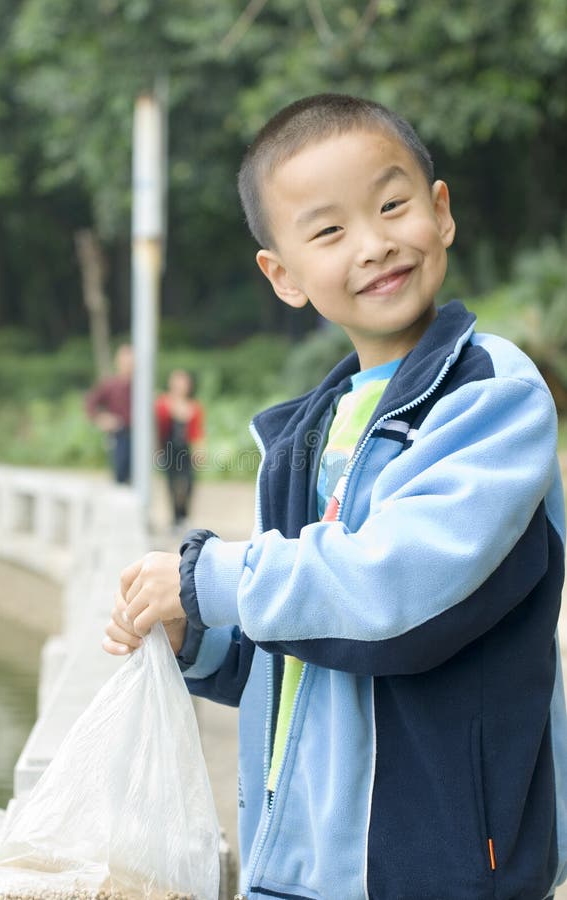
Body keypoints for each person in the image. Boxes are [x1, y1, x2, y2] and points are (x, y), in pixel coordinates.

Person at [102, 94, 567, 899]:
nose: (375, 243)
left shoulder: (488, 397)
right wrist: (195, 637)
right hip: (297, 866)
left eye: (392, 206)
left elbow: (393, 595)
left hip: (440, 868)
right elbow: (300, 645)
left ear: (441, 211)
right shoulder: (302, 439)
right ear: (283, 275)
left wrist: (216, 575)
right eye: (329, 231)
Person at [155, 369, 205, 529]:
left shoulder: (194, 407)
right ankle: (175, 518)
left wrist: (200, 450)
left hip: (186, 450)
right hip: (168, 450)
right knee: (172, 484)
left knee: (189, 483)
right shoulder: (162, 403)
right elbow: (157, 428)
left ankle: (184, 515)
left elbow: (197, 432)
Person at [85, 344, 133, 484]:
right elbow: (90, 403)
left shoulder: (140, 385)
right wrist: (101, 419)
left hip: (139, 435)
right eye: (126, 362)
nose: (129, 366)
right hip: (120, 434)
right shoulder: (110, 385)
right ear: (118, 363)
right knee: (120, 473)